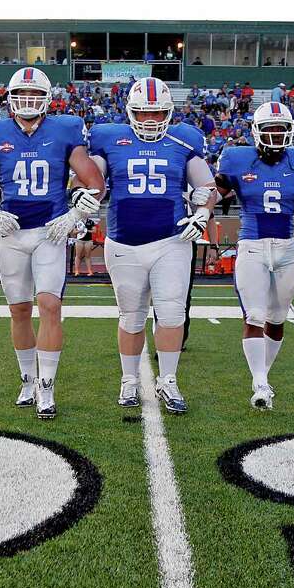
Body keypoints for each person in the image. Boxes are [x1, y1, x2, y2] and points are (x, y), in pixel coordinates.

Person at [0, 67, 106, 420]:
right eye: (21, 94)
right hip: (10, 231)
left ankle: (47, 386)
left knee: (50, 305)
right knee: (20, 309)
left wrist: (72, 217)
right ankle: (27, 379)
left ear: (46, 99)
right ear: (9, 98)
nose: (27, 101)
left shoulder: (65, 129)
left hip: (49, 232)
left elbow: (94, 183)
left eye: (34, 94)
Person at [88, 77, 217, 414]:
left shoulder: (185, 139)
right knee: (131, 316)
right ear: (130, 112)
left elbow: (207, 185)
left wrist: (203, 210)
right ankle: (129, 380)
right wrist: (84, 193)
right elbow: (94, 182)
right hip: (123, 241)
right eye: (143, 113)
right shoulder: (108, 138)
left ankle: (169, 381)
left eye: (158, 113)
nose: (150, 120)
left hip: (171, 240)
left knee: (172, 312)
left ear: (168, 112)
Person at [214, 101, 294, 410]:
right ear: (257, 132)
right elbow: (214, 193)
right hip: (251, 246)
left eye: (281, 129)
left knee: (277, 319)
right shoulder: (238, 160)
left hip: (287, 248)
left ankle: (264, 374)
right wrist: (197, 207)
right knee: (254, 315)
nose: (276, 135)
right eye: (270, 129)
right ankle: (260, 382)